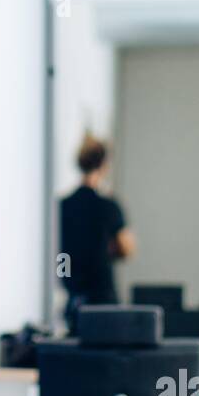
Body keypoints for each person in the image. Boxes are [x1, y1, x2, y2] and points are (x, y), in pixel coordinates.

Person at [58, 134, 135, 336]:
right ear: (104, 165)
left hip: (74, 299)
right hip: (104, 299)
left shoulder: (63, 206)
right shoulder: (108, 206)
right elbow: (126, 249)